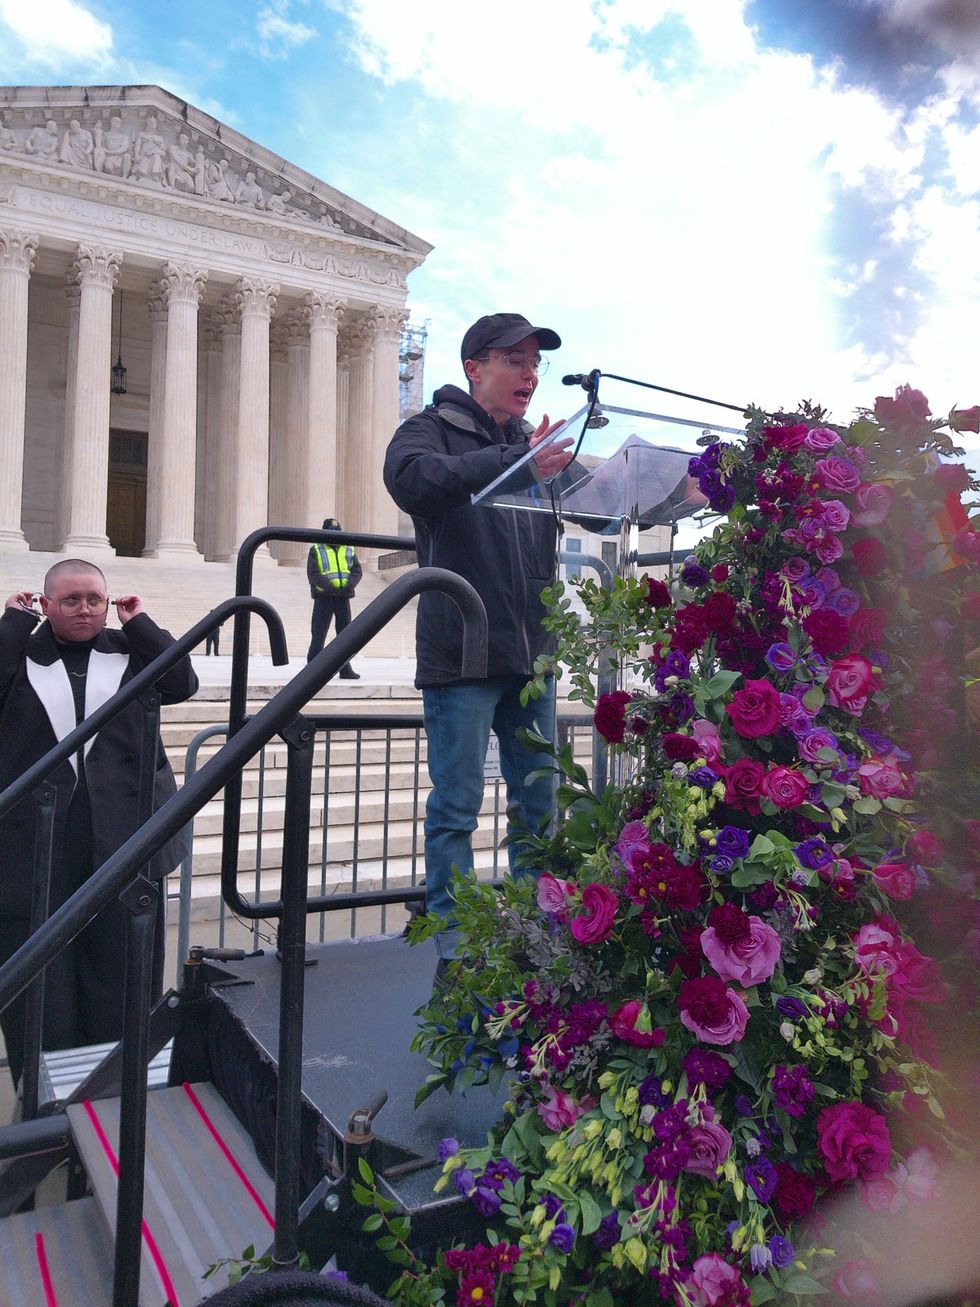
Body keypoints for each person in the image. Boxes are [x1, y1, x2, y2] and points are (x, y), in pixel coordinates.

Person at [383, 312, 574, 967]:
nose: (530, 374)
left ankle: (537, 932)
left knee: (538, 802)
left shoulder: (534, 446)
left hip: (531, 657)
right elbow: (410, 480)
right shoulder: (430, 429)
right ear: (475, 367)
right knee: (457, 807)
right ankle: (456, 942)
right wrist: (514, 462)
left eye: (535, 363)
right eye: (515, 360)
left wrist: (678, 488)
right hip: (463, 654)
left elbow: (599, 499)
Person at [0, 560, 198, 1086]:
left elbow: (182, 681)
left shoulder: (130, 651)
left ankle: (118, 1088)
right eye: (71, 600)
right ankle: (43, 1100)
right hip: (34, 846)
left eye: (94, 599)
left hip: (123, 838)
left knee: (121, 974)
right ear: (46, 604)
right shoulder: (21, 653)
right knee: (41, 985)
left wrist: (141, 624)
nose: (84, 609)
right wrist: (13, 623)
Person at [306, 519, 362, 677]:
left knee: (345, 636)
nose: (334, 535)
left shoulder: (348, 548)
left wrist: (348, 586)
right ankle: (312, 668)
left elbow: (357, 571)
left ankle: (345, 668)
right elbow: (313, 574)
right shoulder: (316, 549)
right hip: (324, 597)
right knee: (319, 633)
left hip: (343, 597)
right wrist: (331, 588)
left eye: (337, 533)